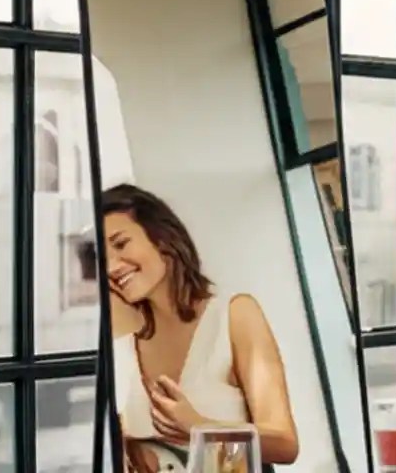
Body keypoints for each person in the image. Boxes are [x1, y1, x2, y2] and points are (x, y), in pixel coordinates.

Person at [102, 183, 299, 472]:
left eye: (121, 244)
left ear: (163, 240)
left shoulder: (234, 315)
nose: (112, 266)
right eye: (100, 258)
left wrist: (199, 429)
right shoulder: (123, 343)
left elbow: (285, 444)